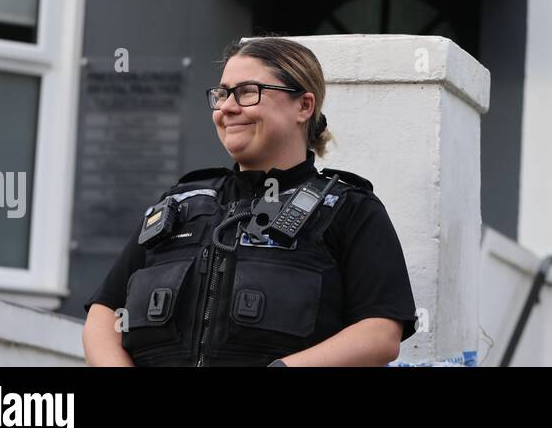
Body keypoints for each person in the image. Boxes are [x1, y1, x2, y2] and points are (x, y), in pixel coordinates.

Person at [82, 35, 417, 366]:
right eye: (223, 94)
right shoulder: (180, 205)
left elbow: (380, 332)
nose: (227, 108)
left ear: (304, 106)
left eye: (246, 93)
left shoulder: (349, 208)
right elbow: (104, 314)